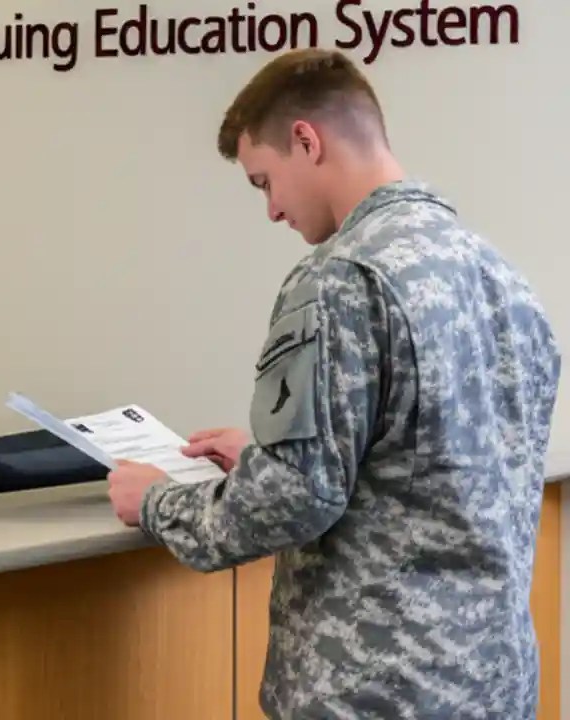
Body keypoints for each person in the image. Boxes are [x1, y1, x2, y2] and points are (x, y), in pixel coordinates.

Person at [107, 48, 561, 719]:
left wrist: (157, 503)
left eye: (264, 181)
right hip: (493, 687)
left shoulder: (342, 278)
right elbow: (435, 467)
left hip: (375, 694)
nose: (270, 210)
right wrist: (272, 455)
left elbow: (292, 500)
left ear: (306, 140)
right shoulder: (504, 281)